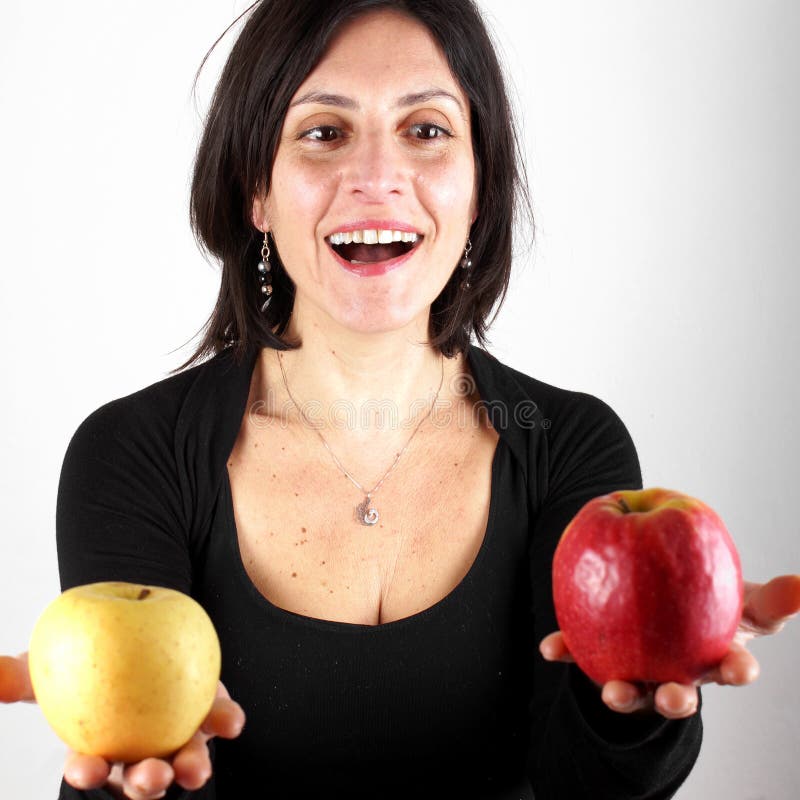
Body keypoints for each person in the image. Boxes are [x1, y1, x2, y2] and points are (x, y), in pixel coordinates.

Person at [2, 1, 799, 798]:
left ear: (479, 184)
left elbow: (588, 783)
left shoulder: (568, 444)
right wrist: (119, 773)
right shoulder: (134, 455)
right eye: (323, 132)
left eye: (426, 130)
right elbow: (151, 763)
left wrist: (649, 680)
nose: (377, 178)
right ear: (256, 190)